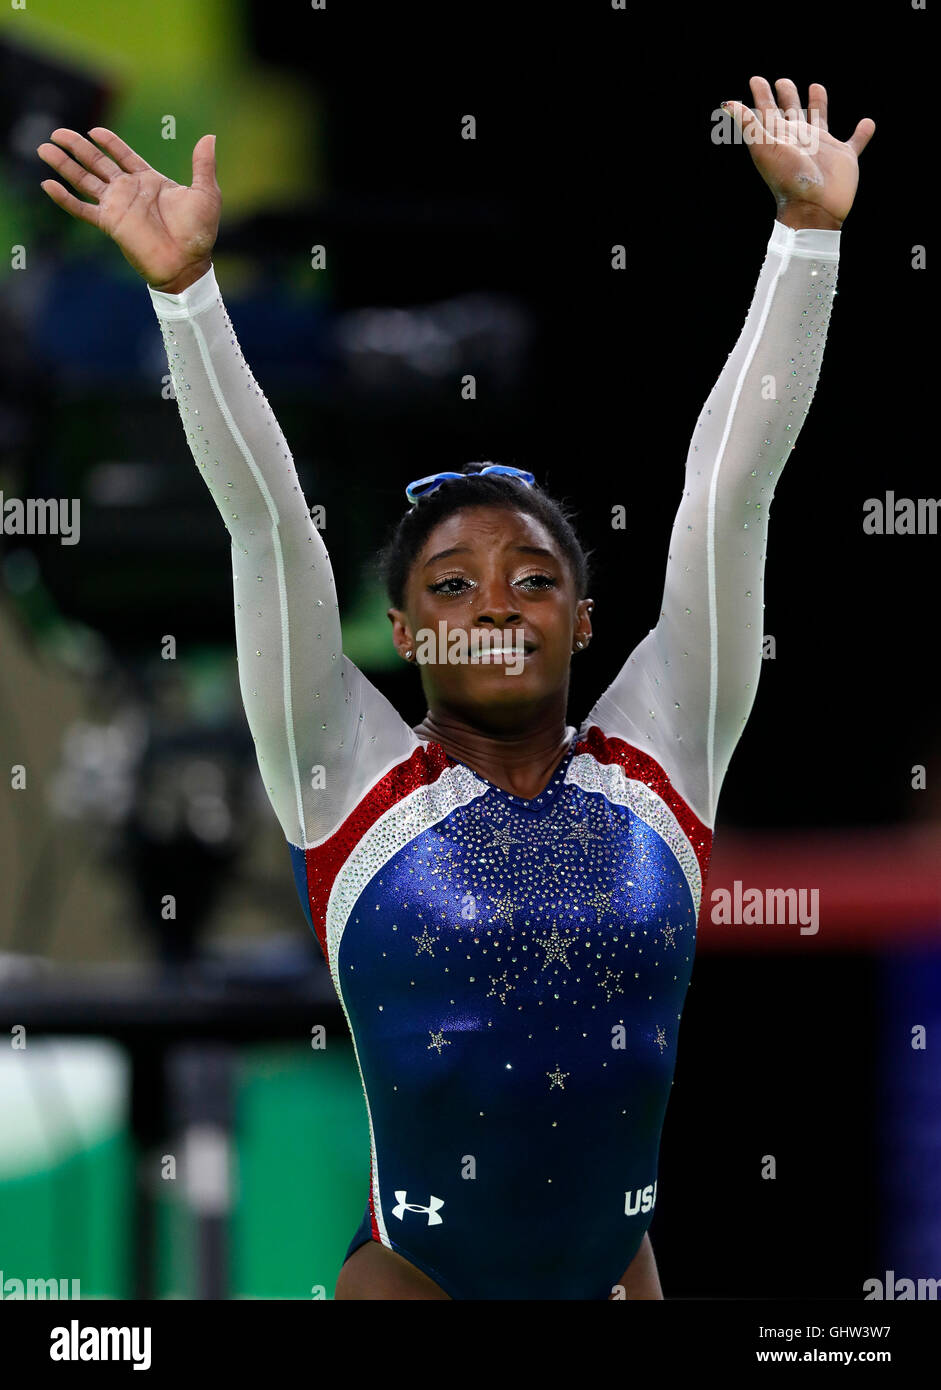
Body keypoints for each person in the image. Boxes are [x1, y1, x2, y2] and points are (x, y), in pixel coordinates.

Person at [37, 76, 874, 1300]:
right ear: (400, 633)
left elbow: (728, 492)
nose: (491, 604)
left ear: (584, 621)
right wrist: (187, 299)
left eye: (531, 579)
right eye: (449, 586)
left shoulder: (662, 757)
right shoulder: (353, 787)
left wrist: (805, 239)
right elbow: (267, 530)